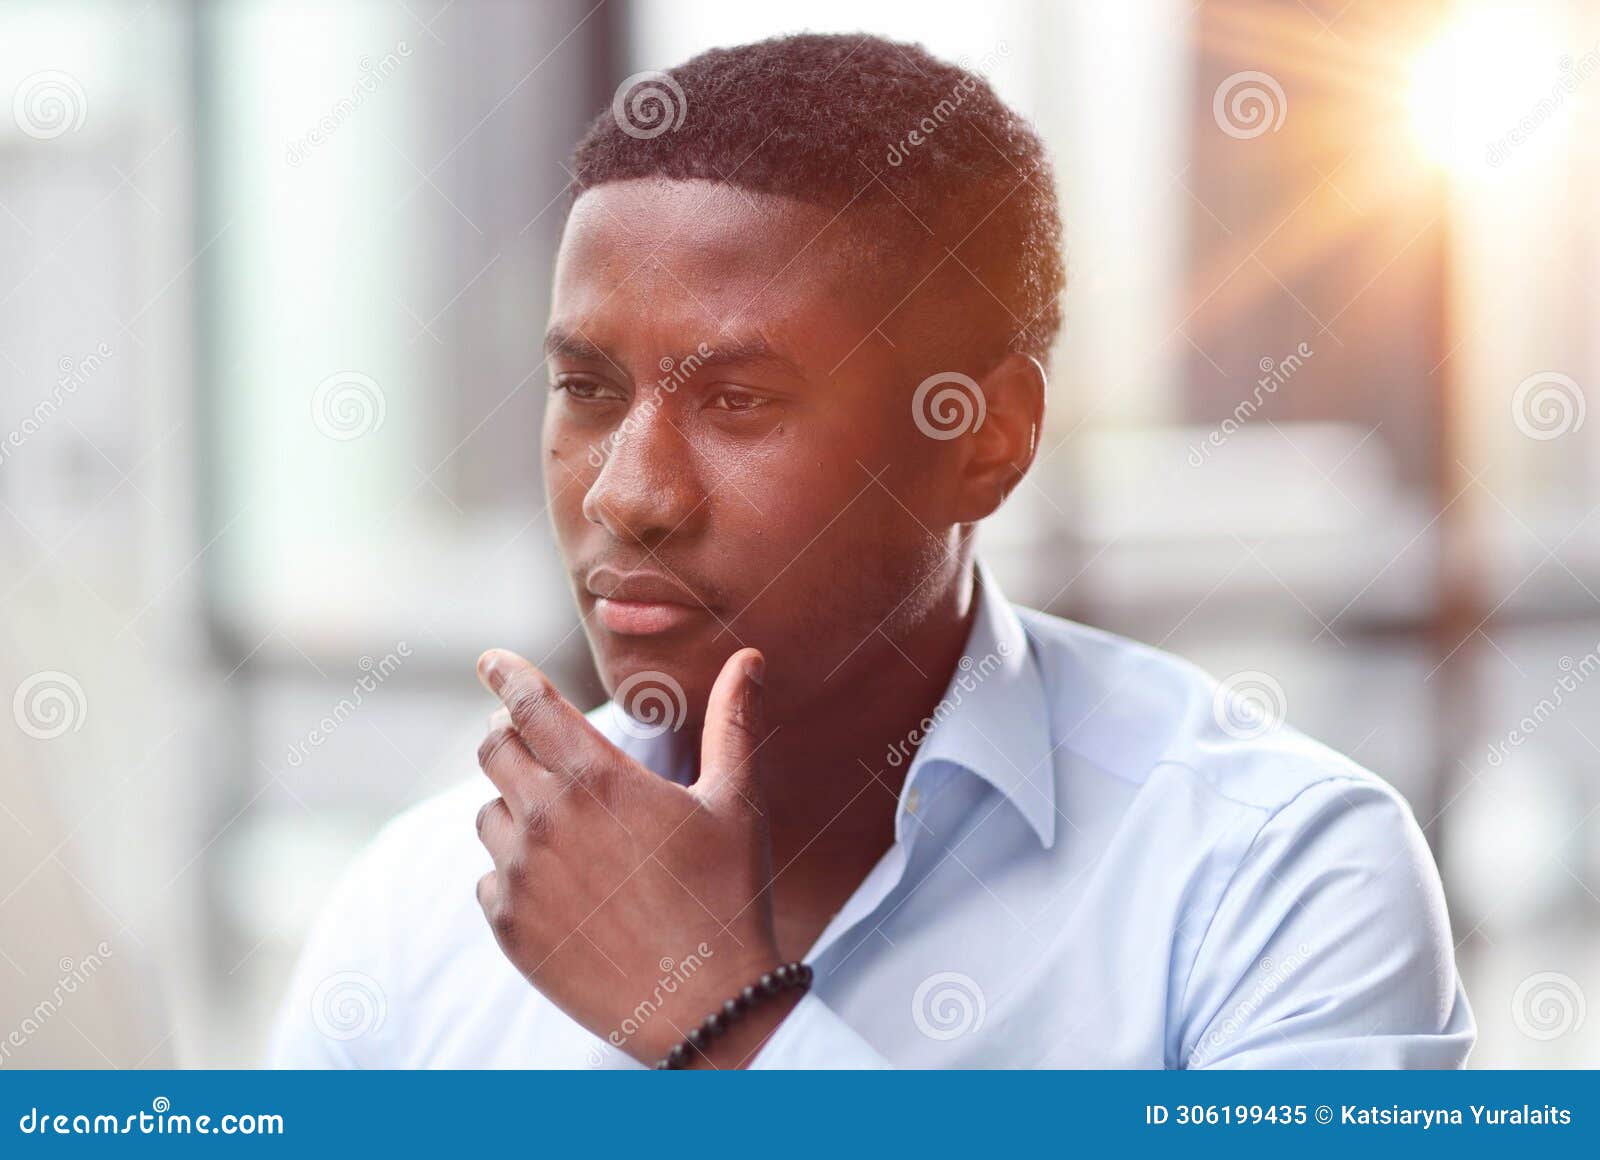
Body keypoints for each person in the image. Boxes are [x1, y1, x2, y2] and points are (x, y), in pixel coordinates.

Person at [270, 32, 1473, 1069]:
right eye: (585, 388)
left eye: (739, 402)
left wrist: (722, 1025)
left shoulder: (1276, 877)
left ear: (982, 440)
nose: (630, 495)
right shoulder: (417, 906)